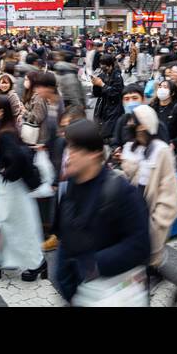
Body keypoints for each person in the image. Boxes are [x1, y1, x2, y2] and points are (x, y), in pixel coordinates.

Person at [53, 119, 152, 306]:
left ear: (94, 153)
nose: (68, 155)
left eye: (74, 150)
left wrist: (92, 265)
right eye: (67, 148)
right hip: (78, 293)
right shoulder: (69, 187)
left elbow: (140, 245)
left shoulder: (120, 190)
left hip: (114, 293)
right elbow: (64, 236)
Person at [0, 95, 46, 283]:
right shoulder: (7, 127)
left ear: (1, 110)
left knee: (7, 224)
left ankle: (33, 262)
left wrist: (3, 172)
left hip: (11, 188)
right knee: (4, 224)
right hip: (10, 188)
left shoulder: (6, 132)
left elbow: (18, 160)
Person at [116, 106, 177, 274]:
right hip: (132, 212)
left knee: (150, 259)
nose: (128, 124)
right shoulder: (131, 147)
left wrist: (158, 221)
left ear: (143, 126)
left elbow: (169, 190)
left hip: (150, 214)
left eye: (132, 121)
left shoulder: (161, 151)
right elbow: (127, 177)